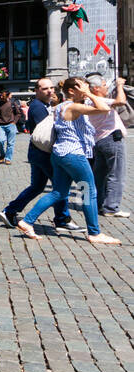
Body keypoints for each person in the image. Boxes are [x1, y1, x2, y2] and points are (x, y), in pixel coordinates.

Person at [17, 77, 120, 246]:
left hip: (60, 154)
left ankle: (27, 221)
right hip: (73, 154)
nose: (88, 90)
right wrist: (89, 95)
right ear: (72, 91)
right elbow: (103, 108)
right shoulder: (73, 106)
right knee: (89, 192)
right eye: (84, 88)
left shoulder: (60, 107)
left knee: (59, 192)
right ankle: (94, 232)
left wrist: (86, 94)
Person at [0, 79, 73, 231]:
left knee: (37, 186)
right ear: (37, 90)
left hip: (37, 152)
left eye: (52, 88)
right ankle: (62, 219)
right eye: (45, 89)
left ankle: (10, 211)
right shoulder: (38, 107)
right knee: (60, 186)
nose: (50, 91)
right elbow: (45, 132)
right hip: (43, 153)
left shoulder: (43, 105)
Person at [87, 75, 129, 219]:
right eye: (104, 85)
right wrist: (119, 86)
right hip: (112, 138)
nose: (106, 87)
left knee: (100, 175)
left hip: (99, 140)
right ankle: (111, 207)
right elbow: (121, 101)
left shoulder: (88, 100)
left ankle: (99, 204)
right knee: (116, 174)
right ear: (96, 88)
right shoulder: (100, 100)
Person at [0, 88, 20, 164]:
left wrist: (14, 122)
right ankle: (2, 154)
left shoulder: (12, 103)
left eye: (3, 96)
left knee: (10, 143)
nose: (1, 97)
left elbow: (18, 113)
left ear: (8, 96)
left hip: (11, 124)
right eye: (0, 95)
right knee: (0, 141)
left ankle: (8, 158)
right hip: (1, 125)